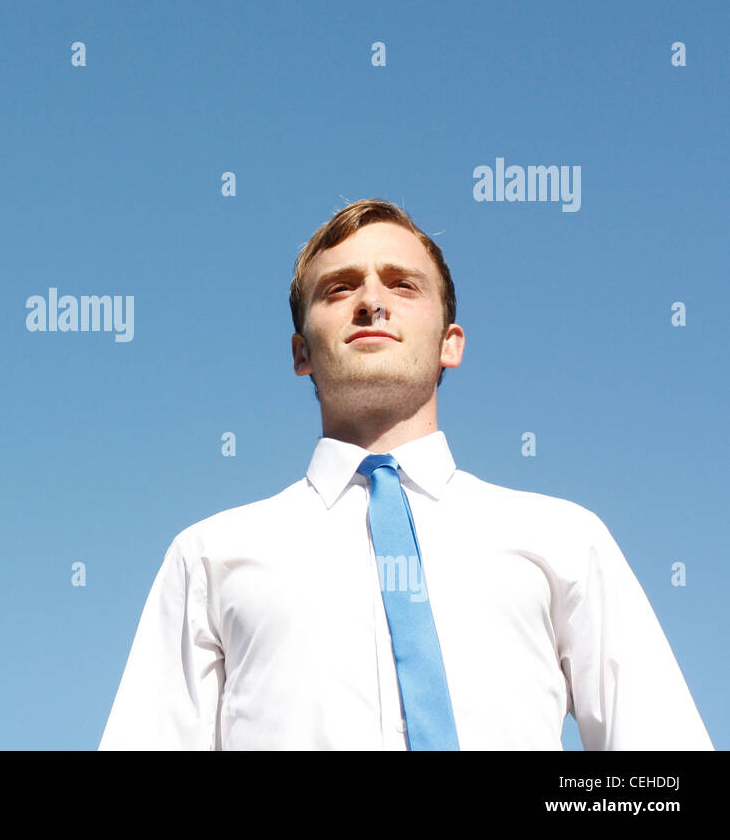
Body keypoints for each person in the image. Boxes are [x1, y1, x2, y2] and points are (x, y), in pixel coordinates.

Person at [97, 198, 713, 750]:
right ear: (300, 353)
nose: (370, 301)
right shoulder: (209, 557)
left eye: (402, 285)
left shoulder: (564, 540)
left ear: (451, 343)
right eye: (338, 288)